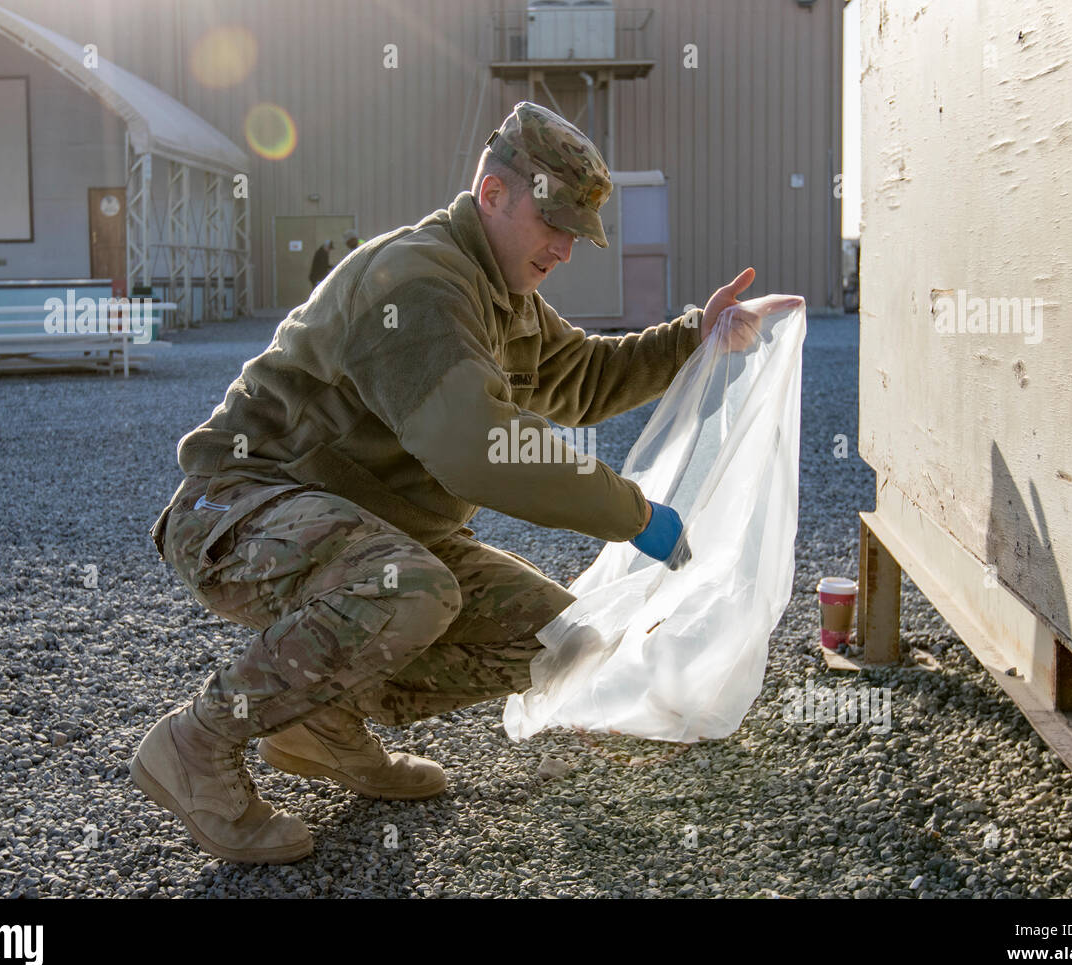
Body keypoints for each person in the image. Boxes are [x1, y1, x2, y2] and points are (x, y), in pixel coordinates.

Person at [134, 100, 795, 863]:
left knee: (559, 639)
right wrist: (635, 514)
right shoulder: (416, 281)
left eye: (576, 234)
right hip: (242, 510)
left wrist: (692, 337)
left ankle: (318, 726)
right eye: (553, 226)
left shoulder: (505, 298)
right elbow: (478, 448)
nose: (564, 249)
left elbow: (579, 377)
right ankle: (196, 742)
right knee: (411, 588)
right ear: (492, 195)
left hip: (372, 534)